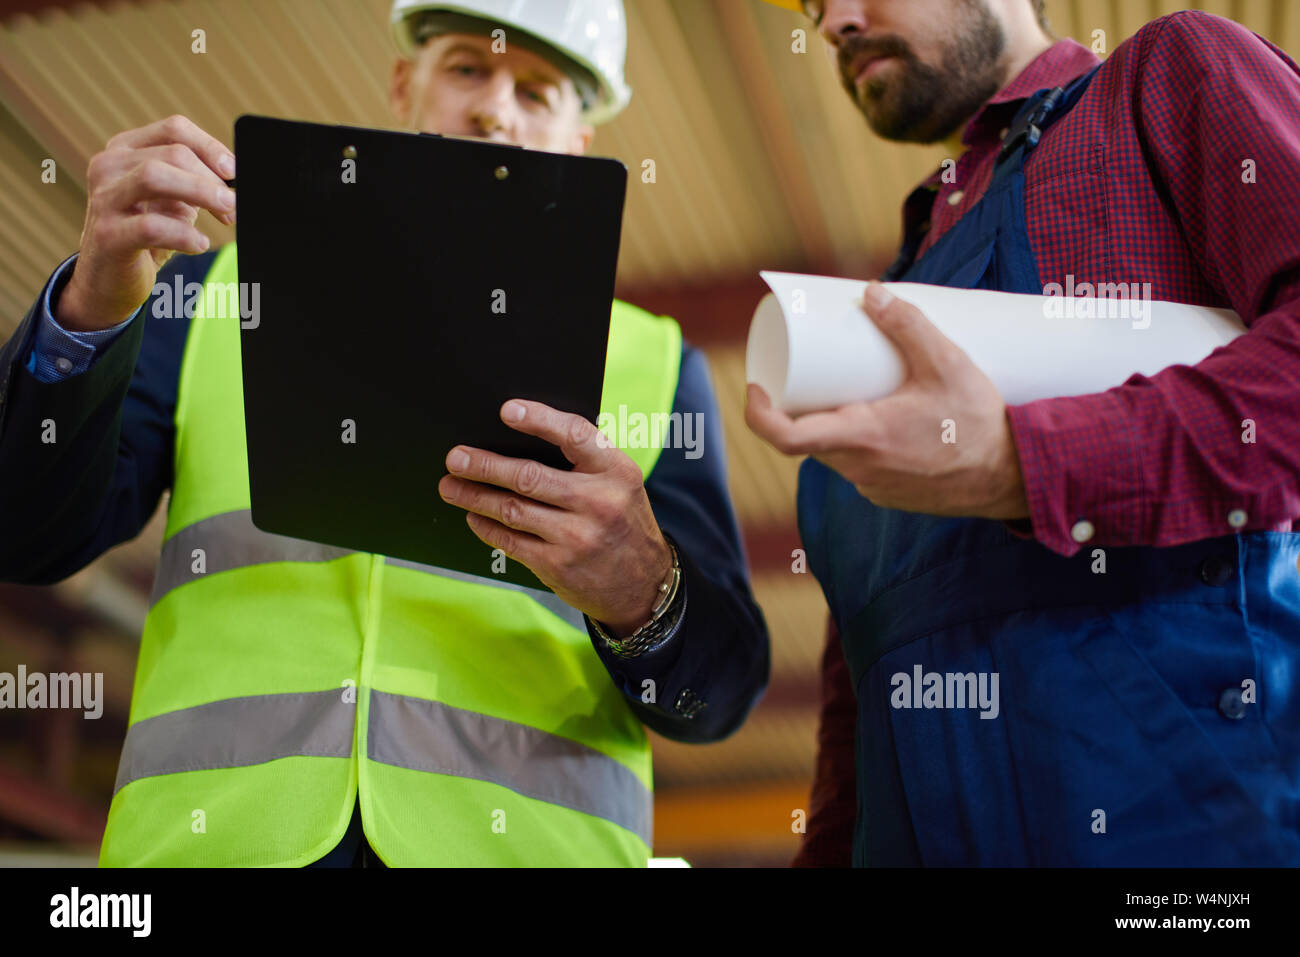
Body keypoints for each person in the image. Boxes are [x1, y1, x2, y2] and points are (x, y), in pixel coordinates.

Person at [0, 0, 770, 867]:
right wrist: (91, 303)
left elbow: (723, 692)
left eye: (540, 89)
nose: (494, 109)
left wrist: (646, 594)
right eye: (468, 68)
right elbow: (25, 534)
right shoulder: (211, 297)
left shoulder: (657, 364)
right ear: (405, 84)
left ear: (578, 144)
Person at [749, 0, 1300, 866]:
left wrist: (1022, 462)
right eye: (812, 6)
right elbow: (857, 708)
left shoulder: (1166, 79)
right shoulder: (871, 314)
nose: (833, 23)